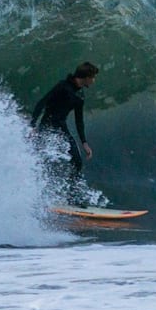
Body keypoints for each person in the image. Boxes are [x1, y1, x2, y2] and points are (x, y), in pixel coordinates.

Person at [31, 62, 98, 204]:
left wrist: (84, 142)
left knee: (77, 161)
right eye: (92, 77)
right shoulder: (63, 87)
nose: (94, 80)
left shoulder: (80, 95)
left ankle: (71, 197)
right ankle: (35, 194)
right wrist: (32, 126)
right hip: (47, 127)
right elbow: (41, 103)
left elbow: (79, 121)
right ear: (85, 77)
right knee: (40, 160)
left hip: (61, 129)